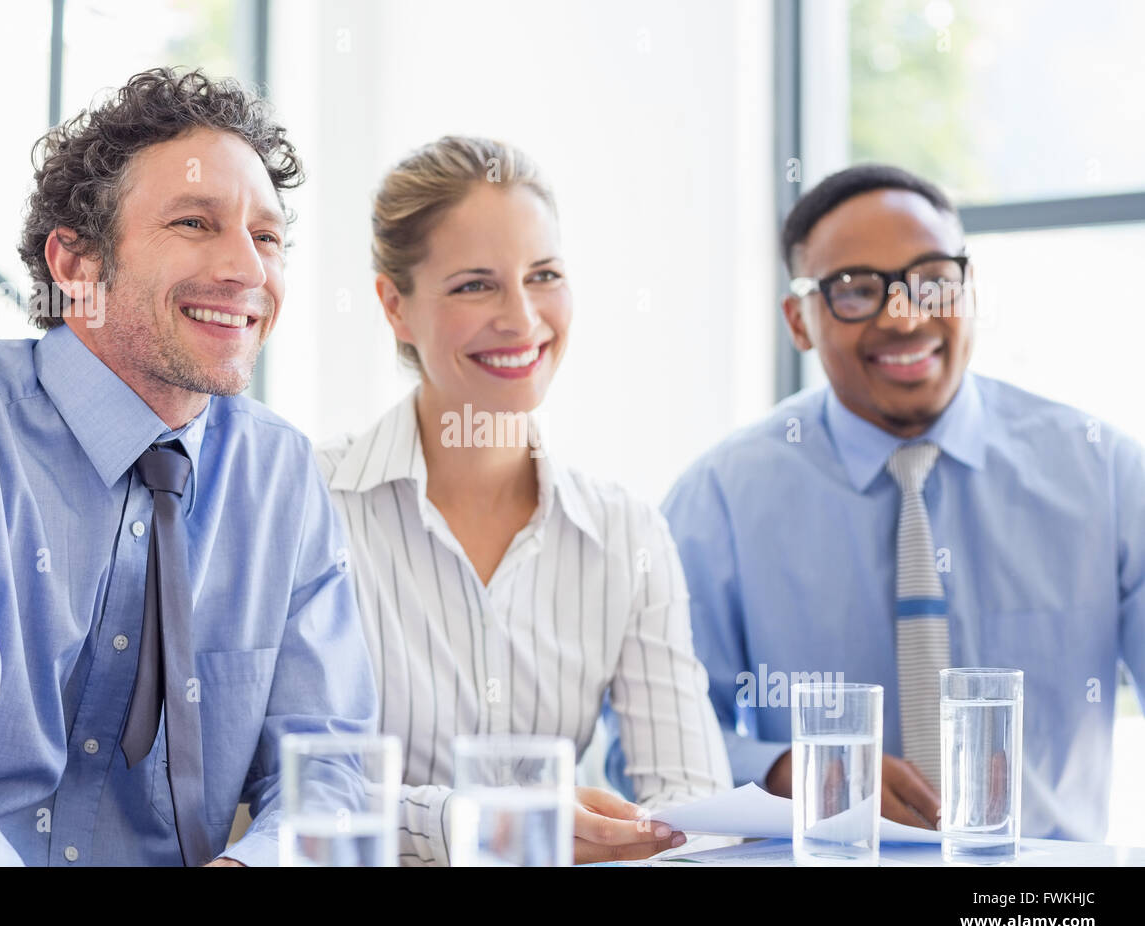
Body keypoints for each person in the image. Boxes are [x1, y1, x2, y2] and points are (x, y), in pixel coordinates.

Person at [0, 68, 377, 866]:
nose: (249, 270)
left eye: (267, 237)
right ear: (76, 264)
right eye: (196, 222)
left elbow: (330, 765)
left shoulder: (280, 476)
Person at [610, 163, 1145, 842]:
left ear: (968, 289)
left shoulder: (1105, 474)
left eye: (931, 280)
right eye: (856, 290)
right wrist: (783, 771)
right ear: (798, 322)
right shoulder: (719, 500)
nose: (904, 315)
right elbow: (644, 754)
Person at [315, 135, 733, 866]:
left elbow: (692, 802)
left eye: (543, 275)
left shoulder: (624, 532)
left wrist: (638, 833)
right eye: (475, 284)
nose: (521, 318)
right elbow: (298, 785)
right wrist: (483, 825)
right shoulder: (313, 503)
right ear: (395, 306)